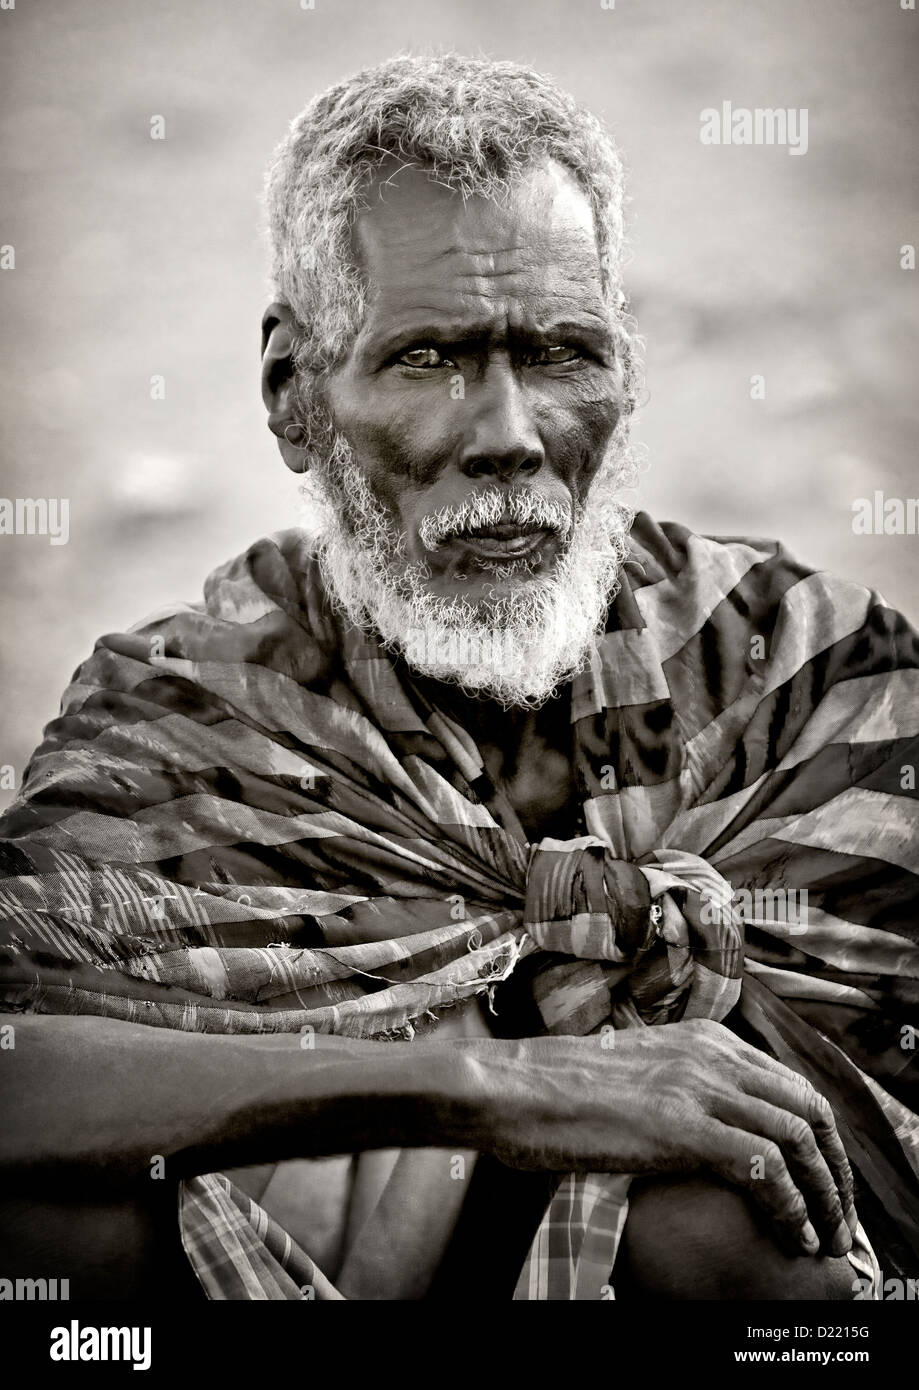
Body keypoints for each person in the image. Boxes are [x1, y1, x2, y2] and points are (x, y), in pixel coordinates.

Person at [1, 53, 916, 1302]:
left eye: (559, 354)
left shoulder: (799, 680)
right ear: (293, 392)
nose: (507, 435)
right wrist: (498, 1087)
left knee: (743, 1218)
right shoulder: (189, 715)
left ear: (626, 373)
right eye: (428, 359)